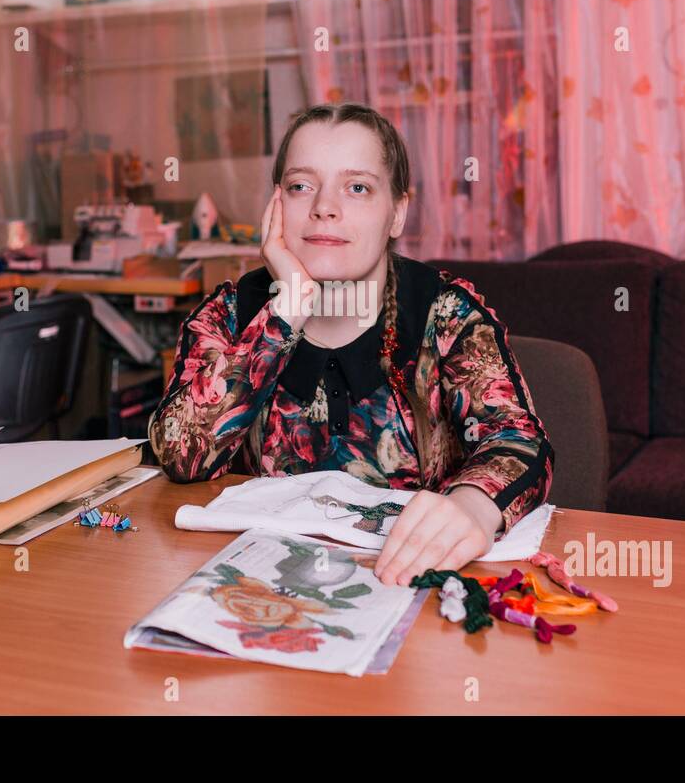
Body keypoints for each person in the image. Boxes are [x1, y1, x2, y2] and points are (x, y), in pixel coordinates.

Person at [149, 103, 554, 586]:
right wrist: (288, 307)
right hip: (258, 584)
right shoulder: (231, 313)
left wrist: (472, 506)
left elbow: (518, 440)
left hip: (410, 586)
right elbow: (179, 453)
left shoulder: (446, 313)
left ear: (397, 212)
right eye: (301, 186)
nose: (324, 206)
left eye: (357, 187)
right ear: (276, 205)